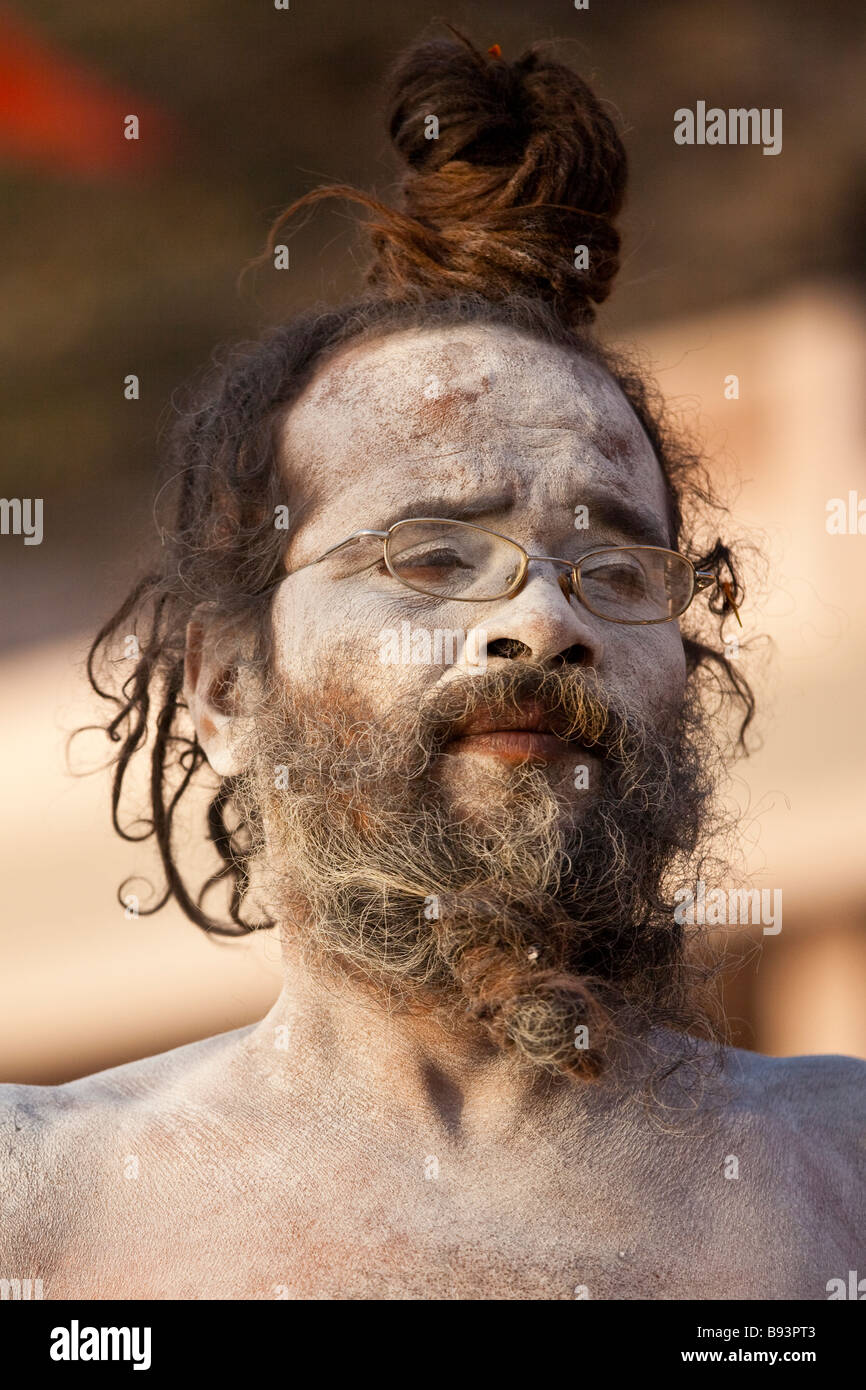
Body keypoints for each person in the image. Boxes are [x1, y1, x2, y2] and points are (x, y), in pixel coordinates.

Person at [1, 31, 862, 1301]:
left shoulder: (840, 1172)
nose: (542, 620)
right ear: (224, 683)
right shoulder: (43, 1209)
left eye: (615, 573)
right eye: (431, 557)